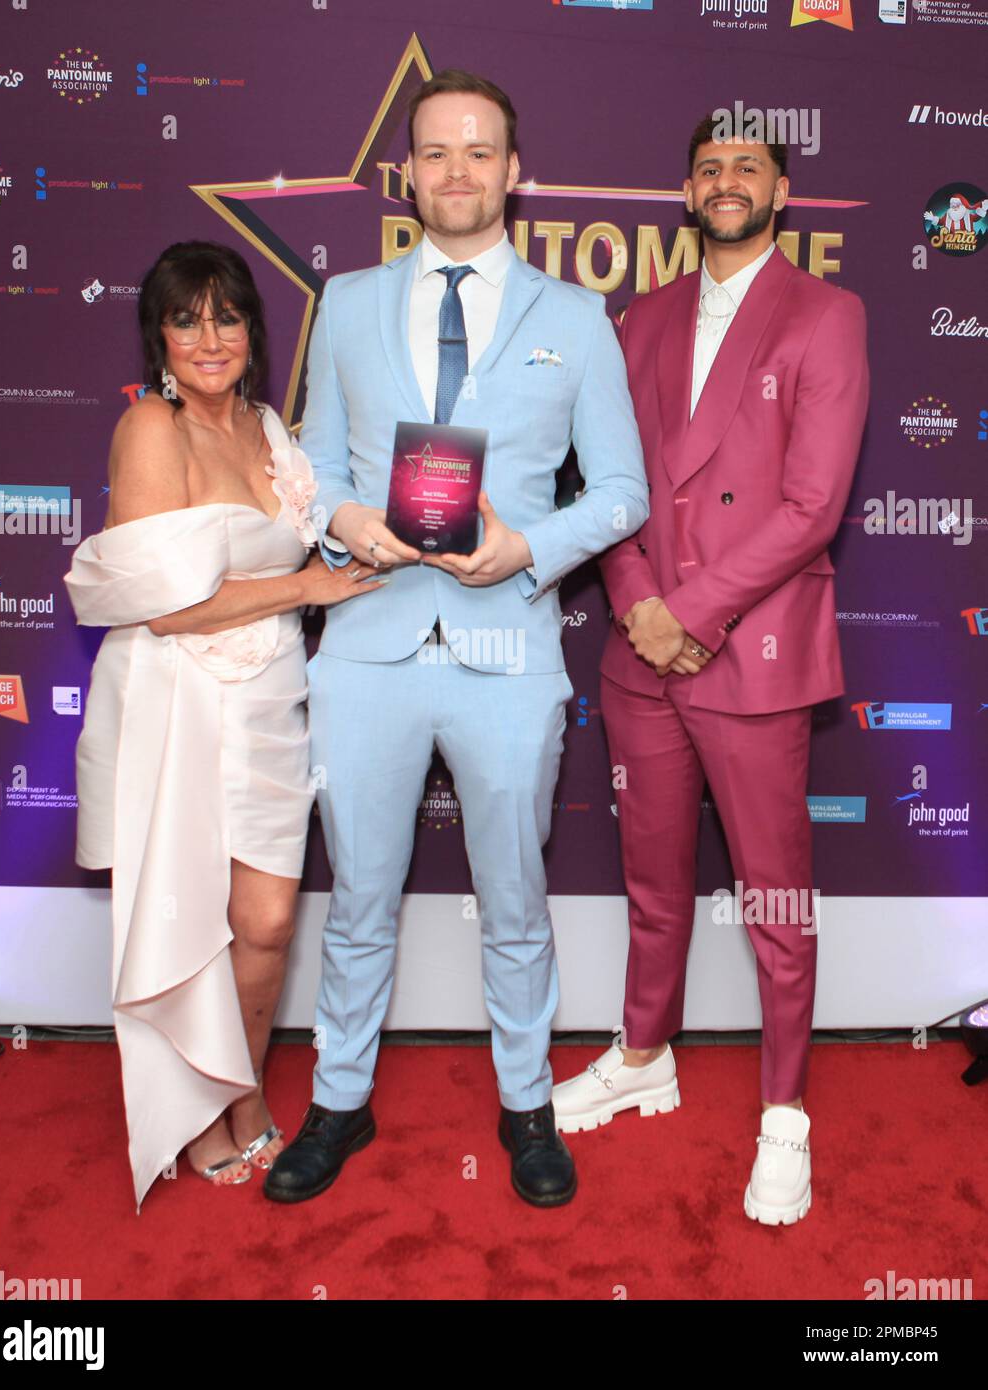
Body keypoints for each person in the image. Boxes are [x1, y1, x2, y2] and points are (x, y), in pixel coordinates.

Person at [264, 70, 647, 1209]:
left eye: (480, 152)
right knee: (359, 895)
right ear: (408, 173)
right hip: (368, 643)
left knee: (516, 896)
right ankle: (340, 1098)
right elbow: (312, 464)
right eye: (436, 153)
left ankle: (526, 1103)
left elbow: (621, 491)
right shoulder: (349, 299)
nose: (459, 172)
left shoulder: (575, 320)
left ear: (514, 173)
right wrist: (347, 521)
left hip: (506, 648)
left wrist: (526, 548)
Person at [552, 116, 869, 1226]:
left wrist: (688, 610)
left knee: (776, 896)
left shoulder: (828, 315)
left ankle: (786, 1110)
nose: (727, 180)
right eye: (709, 166)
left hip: (753, 652)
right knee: (653, 885)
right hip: (646, 657)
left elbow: (810, 505)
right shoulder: (639, 317)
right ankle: (645, 1052)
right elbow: (611, 478)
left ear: (781, 189)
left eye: (749, 165)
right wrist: (638, 605)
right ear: (685, 190)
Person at [64, 241, 382, 1208]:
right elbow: (163, 606)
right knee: (189, 916)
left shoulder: (273, 430)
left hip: (273, 696)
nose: (210, 337)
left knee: (269, 922)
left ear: (253, 328)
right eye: (186, 317)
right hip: (180, 699)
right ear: (159, 334)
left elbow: (328, 525)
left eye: (227, 316)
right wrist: (308, 584)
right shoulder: (150, 429)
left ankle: (240, 1089)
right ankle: (199, 1115)